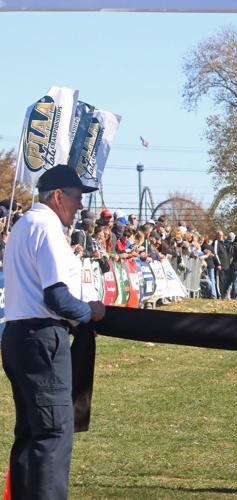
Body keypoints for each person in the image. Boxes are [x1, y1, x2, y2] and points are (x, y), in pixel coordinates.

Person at [1, 165, 106, 499]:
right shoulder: (46, 227)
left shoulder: (22, 226)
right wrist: (88, 312)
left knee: (31, 432)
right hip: (42, 338)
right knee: (52, 433)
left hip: (18, 336)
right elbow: (57, 296)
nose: (79, 207)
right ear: (58, 196)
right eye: (76, 199)